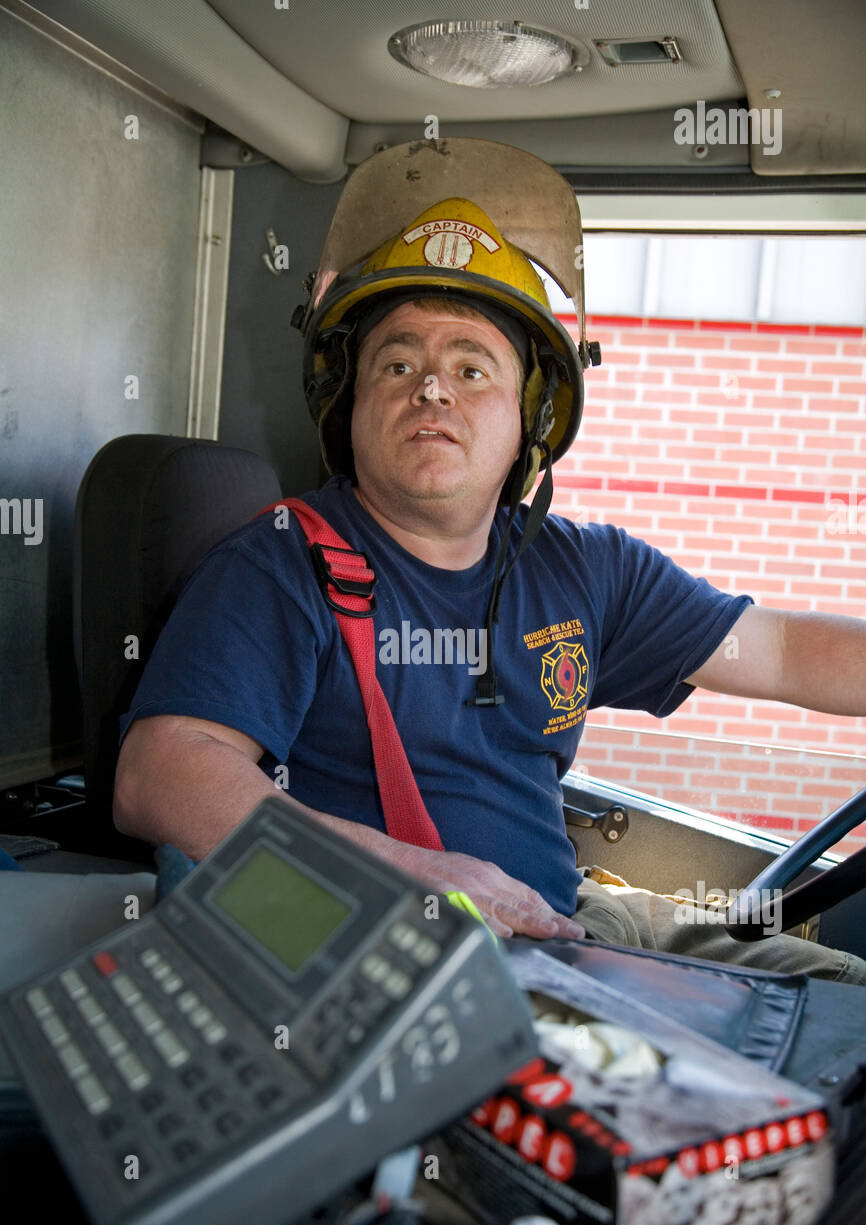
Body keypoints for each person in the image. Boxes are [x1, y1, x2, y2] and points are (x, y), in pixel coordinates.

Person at [113, 154, 866, 985]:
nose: (433, 389)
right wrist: (407, 875)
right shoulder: (280, 563)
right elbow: (162, 772)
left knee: (846, 1000)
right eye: (397, 364)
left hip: (580, 917)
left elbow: (786, 650)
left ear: (529, 421)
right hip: (431, 962)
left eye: (473, 369)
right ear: (350, 405)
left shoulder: (585, 567)